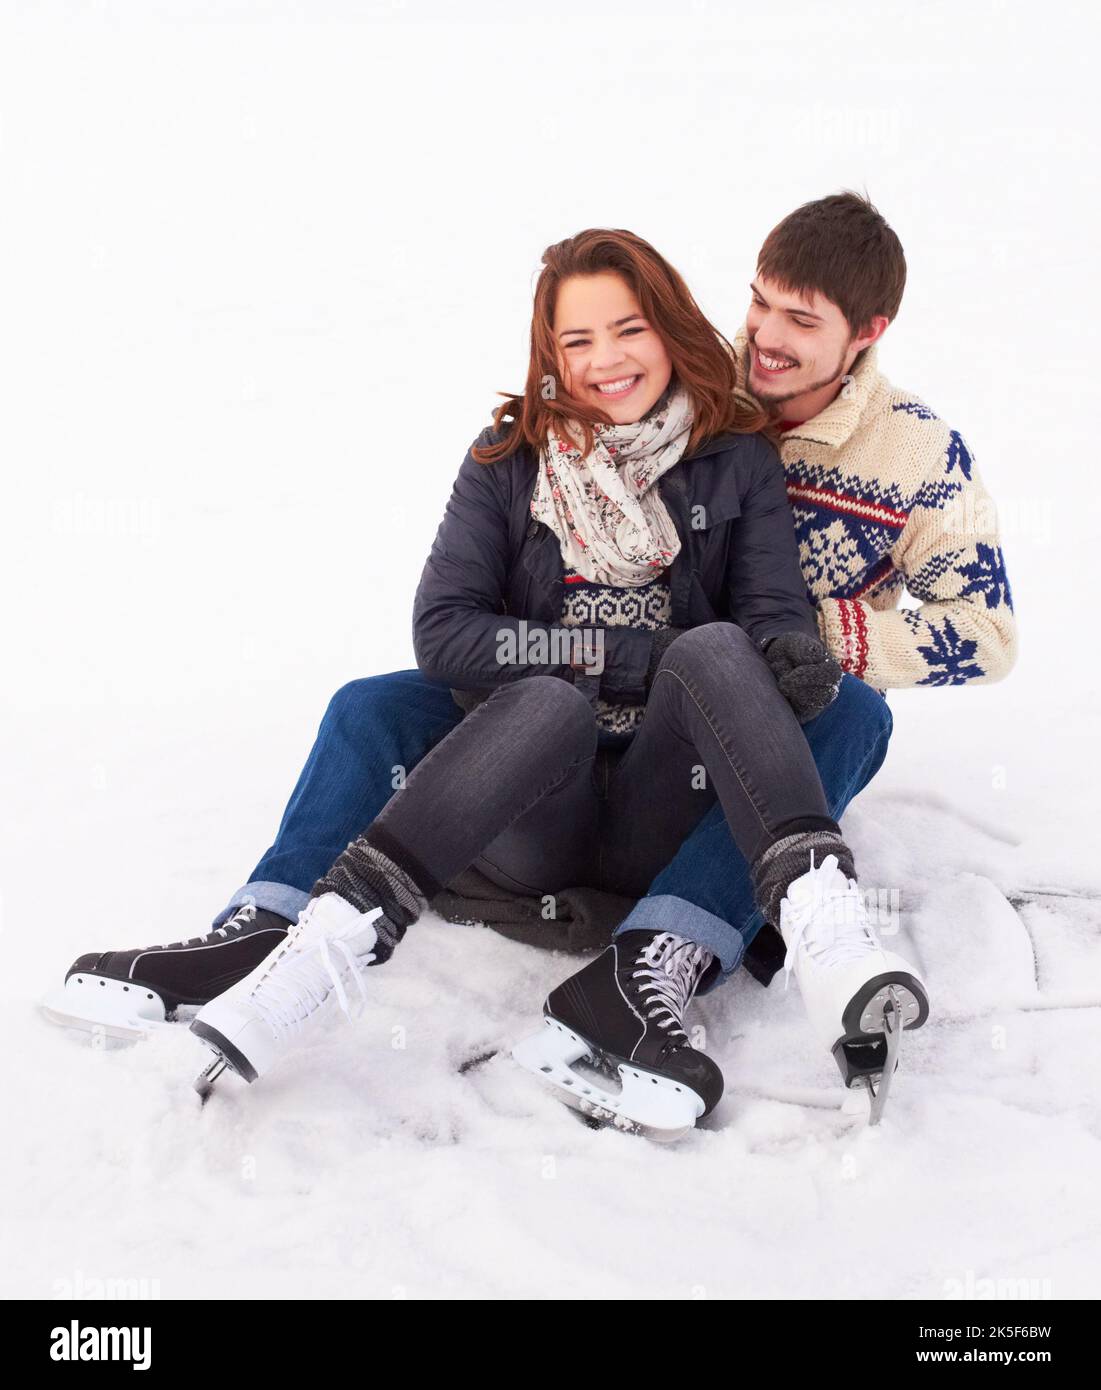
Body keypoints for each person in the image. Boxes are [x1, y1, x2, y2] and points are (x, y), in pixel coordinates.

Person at [48, 194, 1014, 1125]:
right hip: (538, 771)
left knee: (831, 706)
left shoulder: (781, 445)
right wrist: (606, 653)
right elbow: (447, 633)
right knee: (382, 707)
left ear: (866, 330)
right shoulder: (520, 454)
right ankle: (268, 934)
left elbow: (951, 630)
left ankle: (724, 938)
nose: (760, 332)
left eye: (629, 329)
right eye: (755, 301)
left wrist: (825, 641)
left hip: (665, 767)